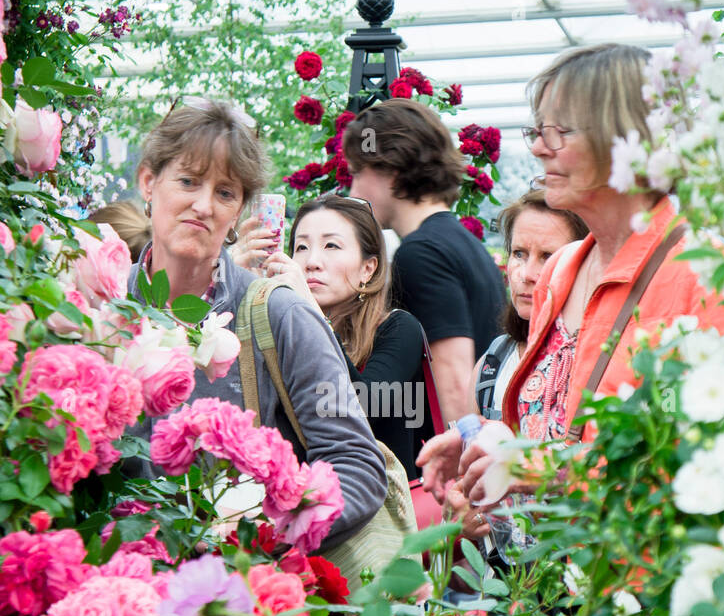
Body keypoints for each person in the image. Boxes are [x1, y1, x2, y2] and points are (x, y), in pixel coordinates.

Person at [419, 43, 724, 518]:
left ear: (628, 140)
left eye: (560, 131)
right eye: (536, 130)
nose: (539, 147)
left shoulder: (707, 274)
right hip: (552, 577)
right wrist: (481, 439)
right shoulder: (563, 268)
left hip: (646, 581)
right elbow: (556, 427)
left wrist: (547, 470)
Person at [125, 97, 387, 551]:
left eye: (225, 192)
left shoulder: (279, 314)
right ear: (149, 182)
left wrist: (262, 538)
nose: (203, 206)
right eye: (187, 181)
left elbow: (356, 464)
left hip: (239, 598)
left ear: (240, 210)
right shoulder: (100, 309)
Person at [341, 98, 506, 425]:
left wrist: (457, 464)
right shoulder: (464, 243)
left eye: (358, 172)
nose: (353, 188)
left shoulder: (421, 254)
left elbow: (454, 378)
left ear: (391, 168)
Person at [288, 192, 436, 480]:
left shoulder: (399, 328)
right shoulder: (286, 331)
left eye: (331, 245)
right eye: (301, 247)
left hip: (378, 512)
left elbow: (364, 405)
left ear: (368, 268)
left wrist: (312, 318)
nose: (311, 262)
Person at [474, 189, 589, 422]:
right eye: (519, 253)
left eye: (548, 256)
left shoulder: (595, 362)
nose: (527, 274)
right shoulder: (493, 362)